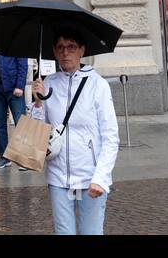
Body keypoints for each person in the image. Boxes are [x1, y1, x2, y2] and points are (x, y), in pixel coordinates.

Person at [29, 28, 119, 235]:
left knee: (92, 232)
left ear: (82, 50)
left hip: (90, 175)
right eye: (60, 47)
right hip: (58, 175)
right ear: (53, 51)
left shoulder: (98, 85)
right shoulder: (47, 84)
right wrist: (38, 103)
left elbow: (110, 137)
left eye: (71, 47)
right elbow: (38, 133)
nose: (65, 53)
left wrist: (101, 177)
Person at [0, 47, 29, 169]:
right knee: (0, 122)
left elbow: (23, 66)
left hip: (13, 89)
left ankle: (25, 158)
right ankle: (4, 157)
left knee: (20, 123)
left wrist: (20, 86)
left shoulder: (17, 44)